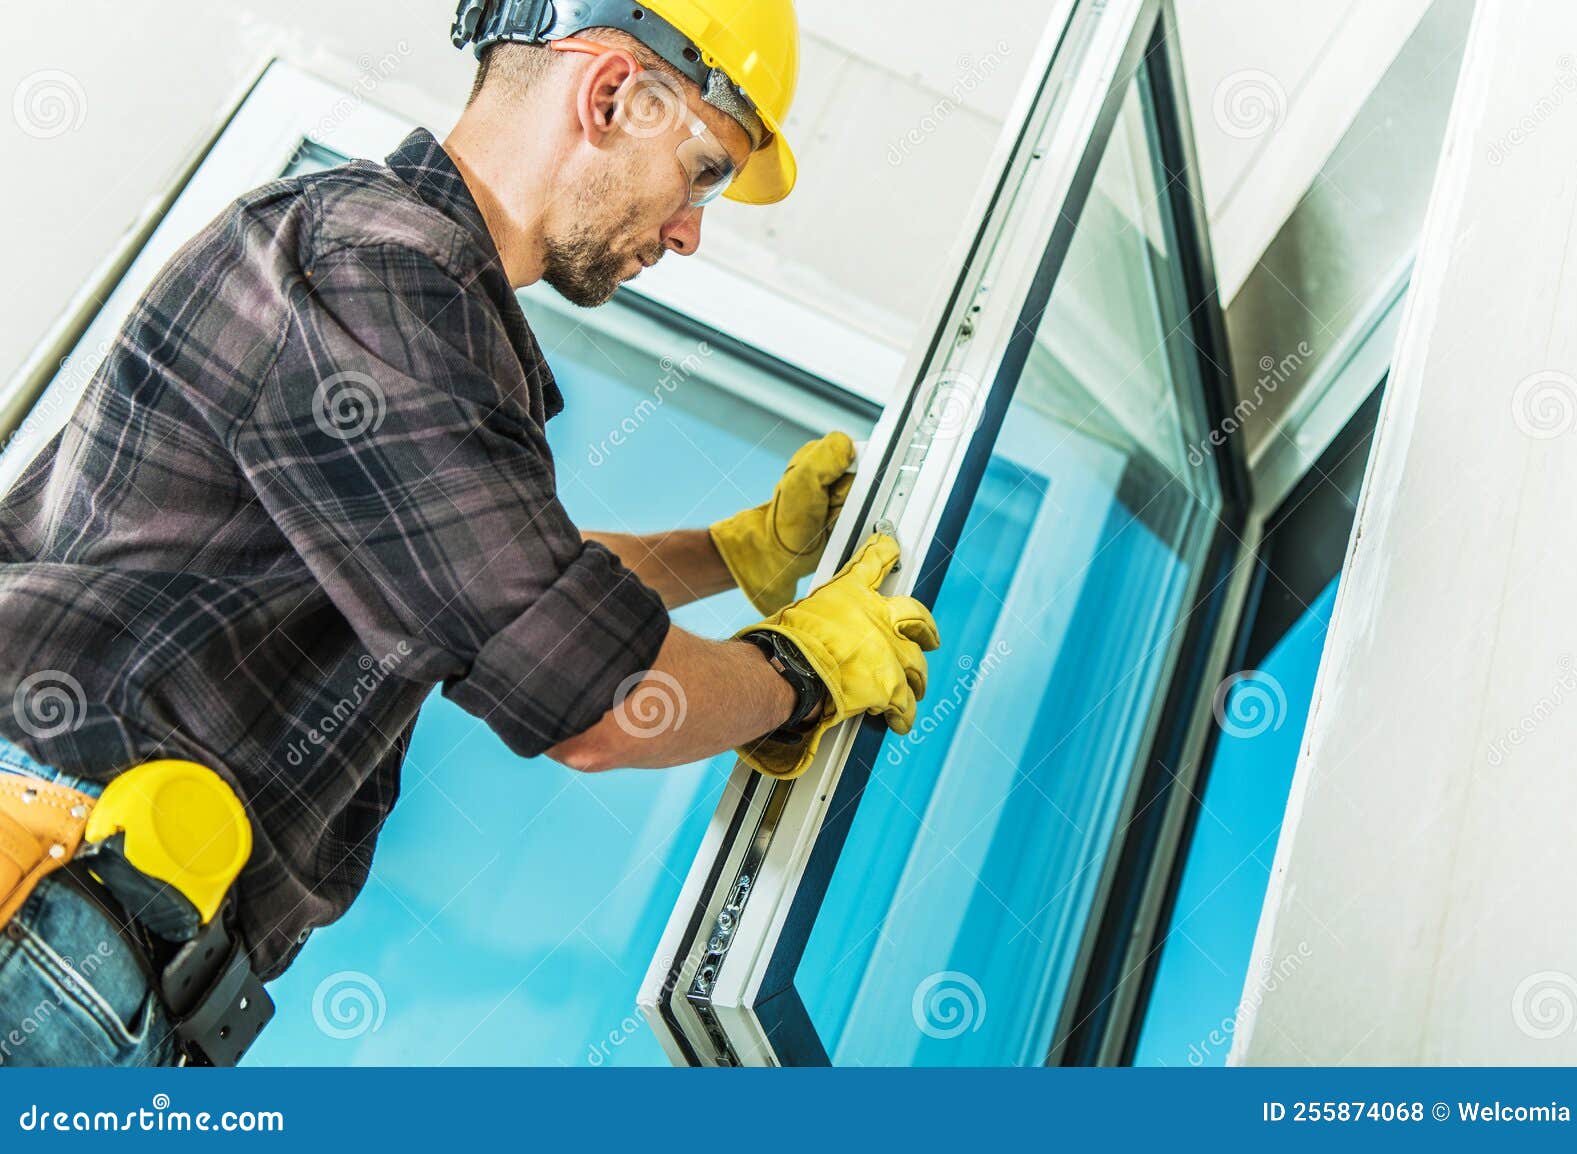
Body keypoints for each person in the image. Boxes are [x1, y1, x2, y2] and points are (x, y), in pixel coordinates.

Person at [0, 0, 937, 1066]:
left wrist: (734, 554)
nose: (689, 231)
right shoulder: (373, 265)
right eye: (705, 173)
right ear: (613, 96)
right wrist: (801, 674)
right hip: (56, 906)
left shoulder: (390, 275)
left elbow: (511, 583)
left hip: (100, 934)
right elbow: (596, 693)